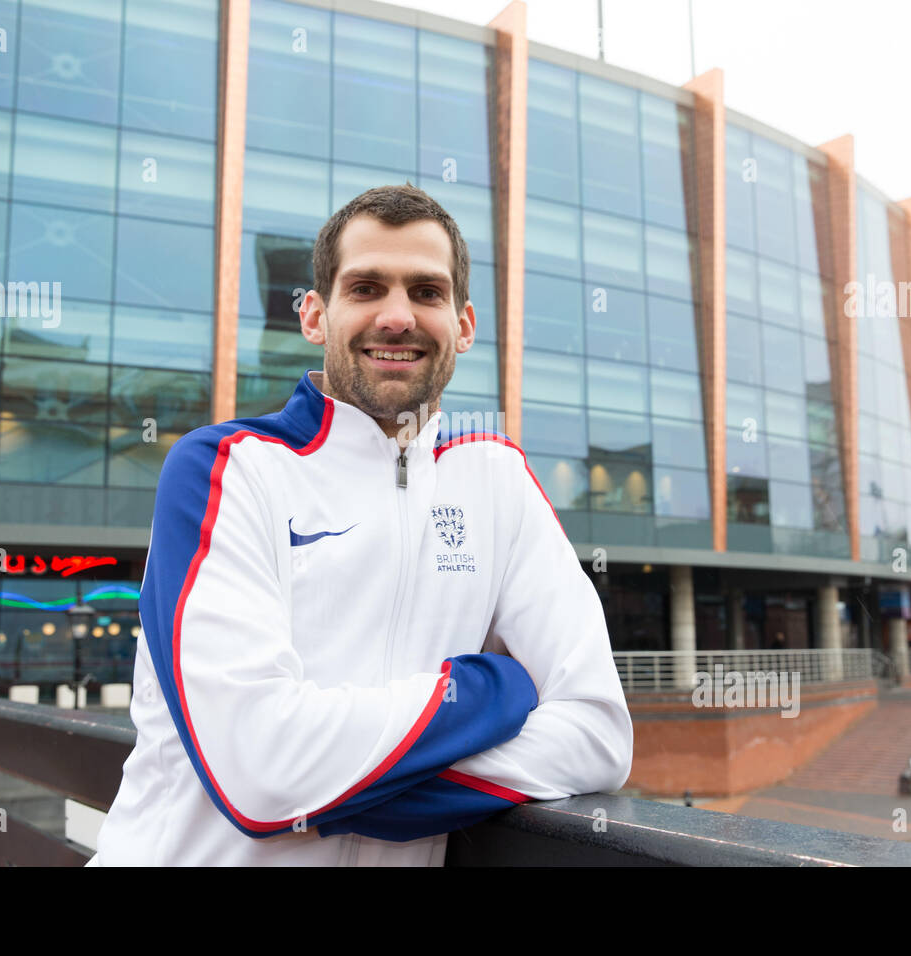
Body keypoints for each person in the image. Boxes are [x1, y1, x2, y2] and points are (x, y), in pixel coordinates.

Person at [88, 184, 633, 865]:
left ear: (463, 324)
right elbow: (262, 774)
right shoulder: (225, 469)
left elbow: (600, 732)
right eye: (367, 287)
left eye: (427, 292)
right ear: (315, 316)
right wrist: (500, 688)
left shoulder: (498, 482)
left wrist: (338, 792)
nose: (398, 317)